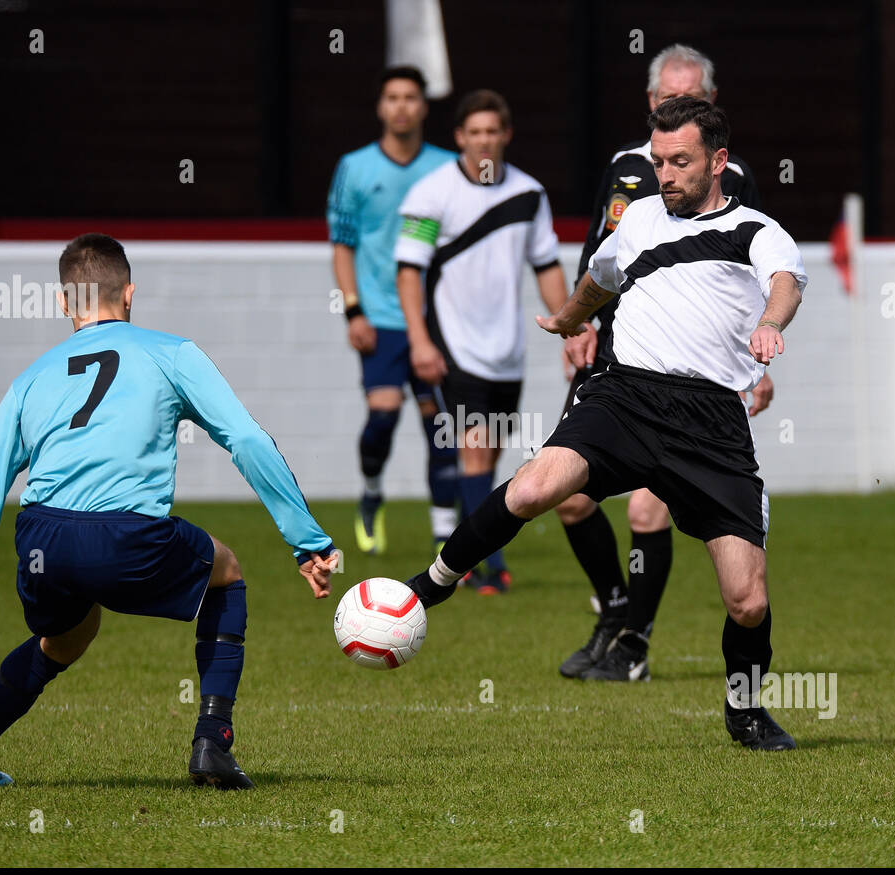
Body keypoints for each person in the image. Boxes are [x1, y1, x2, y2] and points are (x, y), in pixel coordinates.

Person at [407, 97, 807, 750]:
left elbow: (785, 282)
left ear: (718, 162)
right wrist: (571, 317)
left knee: (748, 600)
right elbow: (602, 274)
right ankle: (433, 584)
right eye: (657, 162)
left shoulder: (759, 231)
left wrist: (769, 323)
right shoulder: (641, 217)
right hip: (623, 397)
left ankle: (745, 709)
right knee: (536, 488)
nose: (665, 174)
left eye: (680, 162)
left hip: (711, 422)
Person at [0, 234, 339, 790]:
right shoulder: (172, 353)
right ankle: (213, 743)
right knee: (227, 569)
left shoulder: (30, 380)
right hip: (127, 537)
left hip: (44, 540)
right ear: (131, 294)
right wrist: (307, 542)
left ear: (64, 303)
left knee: (67, 636)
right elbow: (247, 440)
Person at [557, 43, 774, 683]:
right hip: (611, 357)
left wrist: (758, 364)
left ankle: (632, 646)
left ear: (711, 110)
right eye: (666, 97)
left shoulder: (733, 181)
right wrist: (581, 325)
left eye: (695, 98)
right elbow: (600, 252)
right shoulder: (626, 168)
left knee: (646, 511)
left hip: (684, 375)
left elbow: (752, 281)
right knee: (567, 499)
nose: (678, 104)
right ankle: (615, 608)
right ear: (650, 103)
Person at [395, 89, 568, 594]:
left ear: (506, 135)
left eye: (493, 130)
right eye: (475, 132)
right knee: (473, 452)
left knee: (489, 457)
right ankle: (487, 568)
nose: (484, 140)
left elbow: (547, 266)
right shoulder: (430, 193)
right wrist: (419, 341)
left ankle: (460, 550)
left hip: (507, 353)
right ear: (459, 138)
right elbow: (409, 273)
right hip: (454, 347)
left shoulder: (530, 193)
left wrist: (570, 329)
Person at [327, 66, 459, 557]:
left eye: (410, 97)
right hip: (380, 318)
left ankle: (445, 534)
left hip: (436, 322)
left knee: (439, 423)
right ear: (381, 107)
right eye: (392, 97)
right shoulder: (355, 167)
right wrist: (353, 313)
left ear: (424, 107)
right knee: (382, 415)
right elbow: (342, 246)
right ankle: (372, 490)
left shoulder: (449, 167)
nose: (401, 106)